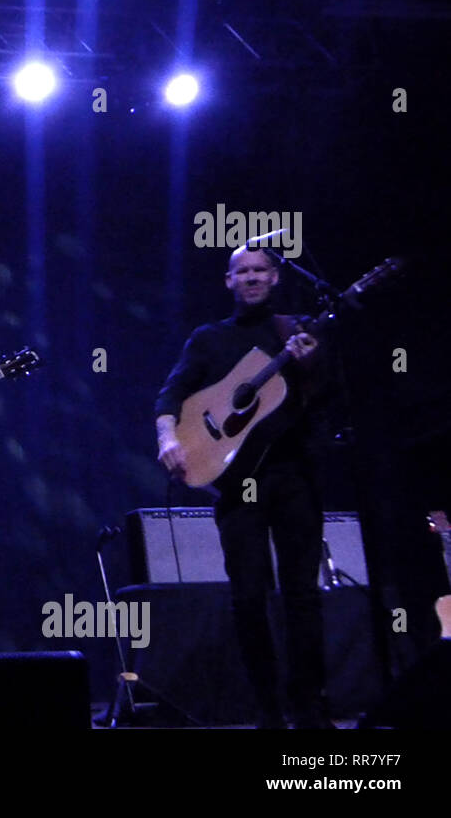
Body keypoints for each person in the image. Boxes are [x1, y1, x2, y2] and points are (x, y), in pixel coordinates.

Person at [155, 245, 333, 728]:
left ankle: (309, 707)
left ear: (275, 278)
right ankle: (268, 711)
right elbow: (171, 392)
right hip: (238, 485)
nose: (252, 278)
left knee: (303, 596)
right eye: (243, 271)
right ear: (229, 281)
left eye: (261, 270)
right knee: (249, 598)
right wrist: (168, 436)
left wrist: (310, 365)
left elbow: (326, 400)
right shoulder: (209, 339)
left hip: (293, 475)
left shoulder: (295, 332)